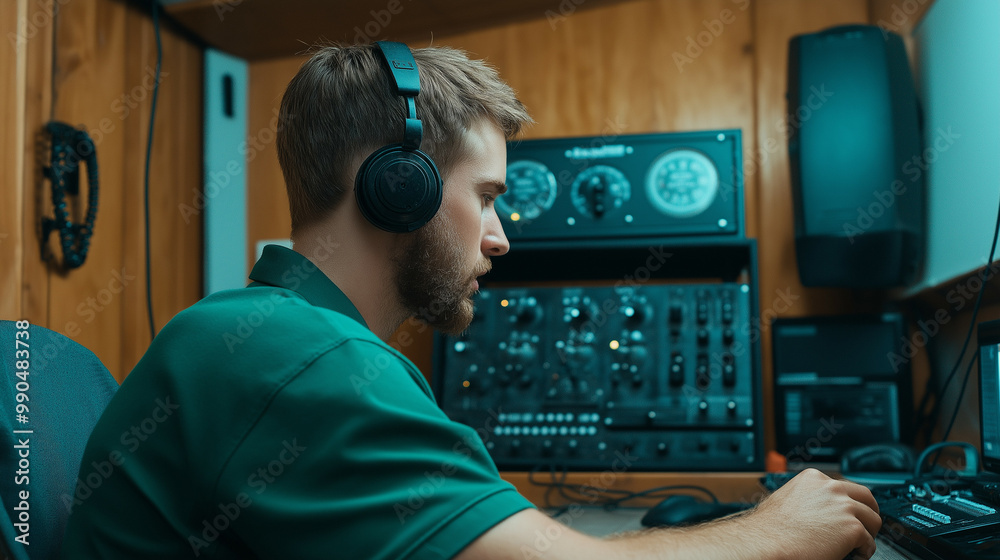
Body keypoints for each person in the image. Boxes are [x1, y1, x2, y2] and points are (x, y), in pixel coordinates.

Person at [60, 42, 880, 559]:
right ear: (397, 187)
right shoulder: (300, 356)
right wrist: (776, 531)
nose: (500, 238)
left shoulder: (270, 333)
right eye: (485, 196)